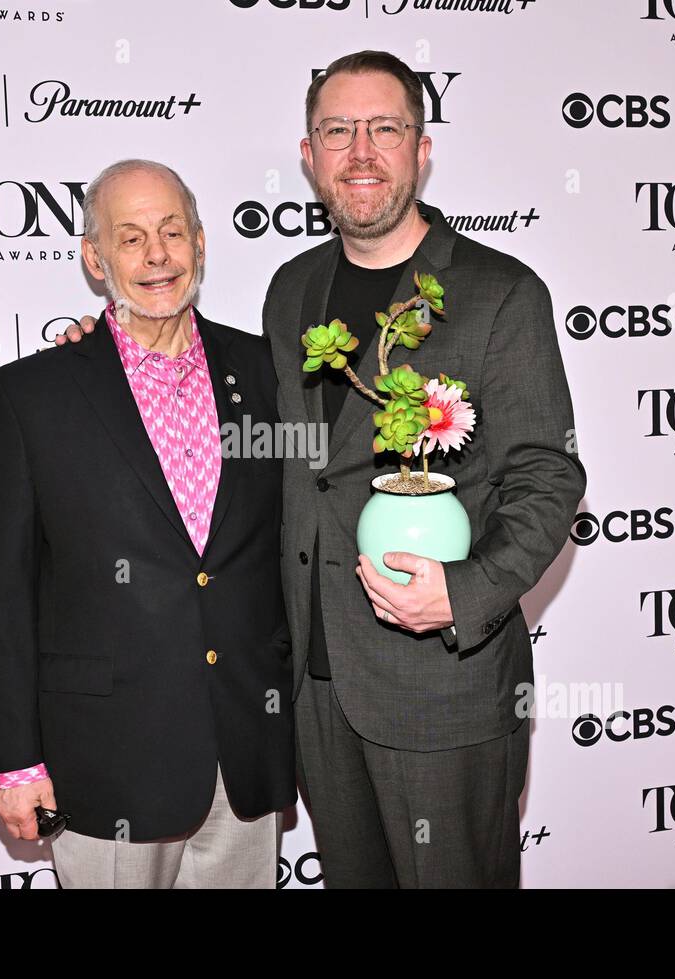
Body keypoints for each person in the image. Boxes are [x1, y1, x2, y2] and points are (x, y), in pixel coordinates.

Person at [55, 50, 586, 888]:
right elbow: (225, 411)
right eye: (338, 131)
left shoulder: (499, 293)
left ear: (422, 147)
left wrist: (466, 591)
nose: (361, 151)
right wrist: (100, 350)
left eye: (385, 128)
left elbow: (548, 476)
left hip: (440, 686)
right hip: (310, 691)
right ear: (309, 156)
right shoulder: (290, 290)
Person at [0, 159, 295, 888]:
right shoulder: (33, 395)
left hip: (244, 751)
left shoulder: (269, 371)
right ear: (95, 258)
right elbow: (4, 594)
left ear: (202, 243)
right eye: (131, 237)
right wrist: (12, 760)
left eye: (172, 232)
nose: (157, 256)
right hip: (106, 759)